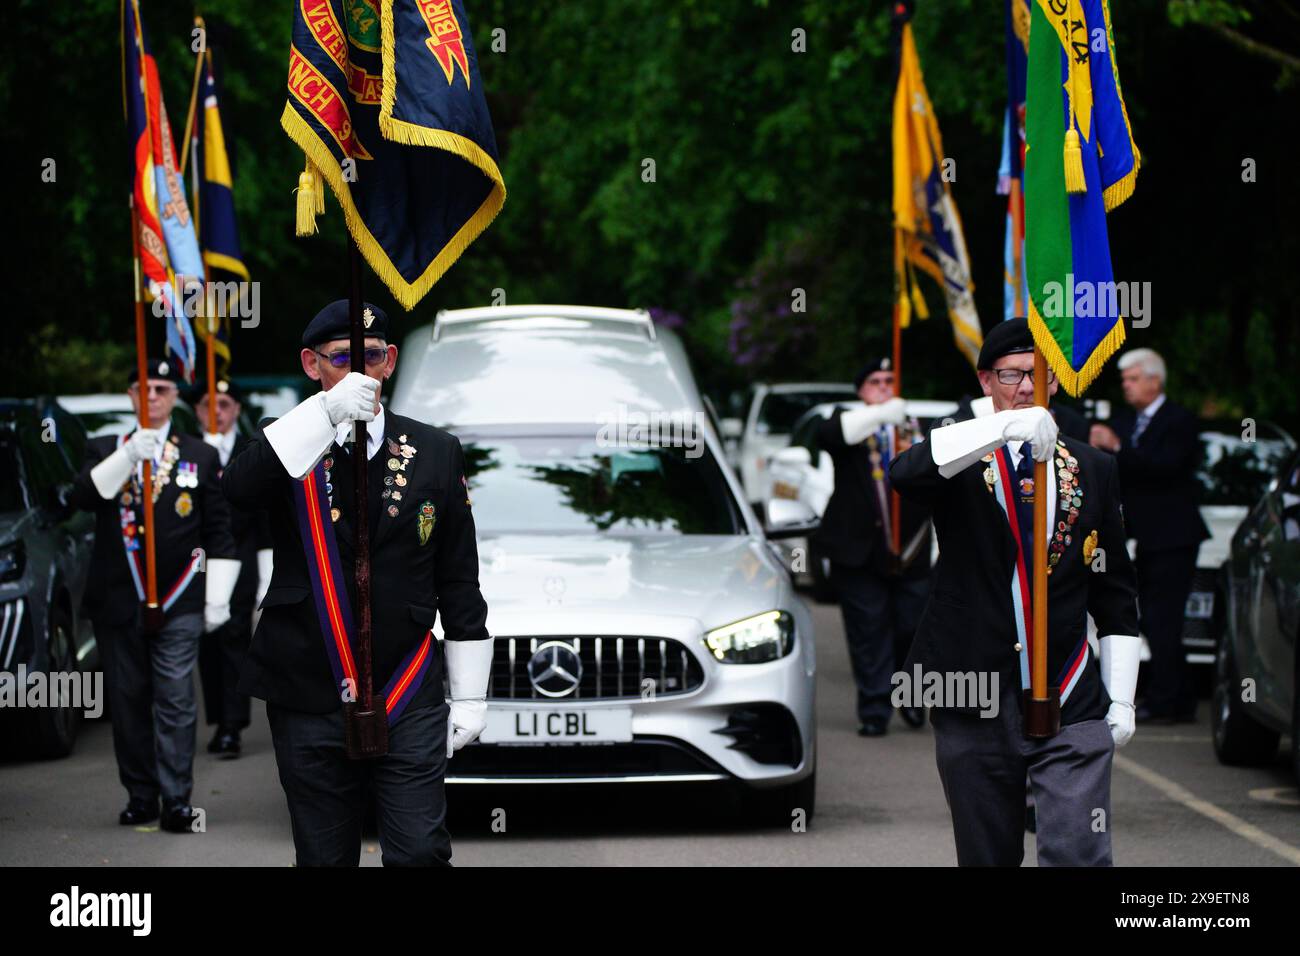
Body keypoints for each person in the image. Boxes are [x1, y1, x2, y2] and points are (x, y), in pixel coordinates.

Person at [221, 301, 493, 866]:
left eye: (370, 356)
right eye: (342, 358)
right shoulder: (289, 444)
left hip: (406, 687)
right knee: (324, 860)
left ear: (389, 362)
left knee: (419, 852)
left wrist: (469, 695)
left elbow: (458, 579)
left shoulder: (435, 451)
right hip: (306, 688)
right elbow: (239, 490)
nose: (359, 371)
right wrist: (323, 414)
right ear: (311, 364)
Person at [890, 318, 1141, 866]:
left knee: (1079, 850)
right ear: (986, 381)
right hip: (970, 684)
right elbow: (904, 475)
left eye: (1039, 374)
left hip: (1069, 689)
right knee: (987, 856)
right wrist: (1001, 430)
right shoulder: (959, 452)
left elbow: (1115, 591)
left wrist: (1121, 694)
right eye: (1012, 374)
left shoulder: (1094, 467)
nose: (1027, 388)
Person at [70, 358, 239, 832]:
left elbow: (219, 529)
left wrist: (218, 597)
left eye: (162, 388)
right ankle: (141, 795)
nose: (153, 396)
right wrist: (127, 458)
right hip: (118, 602)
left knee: (177, 700)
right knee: (127, 700)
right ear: (130, 396)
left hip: (179, 601)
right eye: (143, 388)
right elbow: (83, 497)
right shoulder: (106, 447)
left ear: (175, 397)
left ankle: (177, 799)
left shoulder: (200, 455)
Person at [1089, 348, 1208, 723]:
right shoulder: (1125, 421)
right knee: (1144, 617)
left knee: (1164, 618)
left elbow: (1165, 468)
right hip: (1137, 536)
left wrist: (1119, 448)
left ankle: (1169, 697)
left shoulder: (1180, 421)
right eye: (1123, 380)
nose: (1126, 386)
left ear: (1155, 380)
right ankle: (1173, 693)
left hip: (1173, 536)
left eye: (1133, 379)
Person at [814, 357, 931, 735]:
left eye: (890, 380)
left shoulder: (915, 428)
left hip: (910, 551)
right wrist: (881, 414)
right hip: (860, 552)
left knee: (911, 629)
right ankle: (875, 709)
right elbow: (831, 435)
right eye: (875, 381)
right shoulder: (846, 423)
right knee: (869, 631)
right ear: (861, 390)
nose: (883, 386)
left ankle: (912, 698)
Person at [191, 376, 273, 757]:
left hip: (240, 556)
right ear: (196, 410)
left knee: (234, 638)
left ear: (237, 409)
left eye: (224, 404)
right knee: (208, 641)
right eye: (209, 404)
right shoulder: (187, 452)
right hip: (198, 561)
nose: (217, 412)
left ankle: (231, 726)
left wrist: (265, 567)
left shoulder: (247, 450)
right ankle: (217, 715)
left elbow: (263, 512)